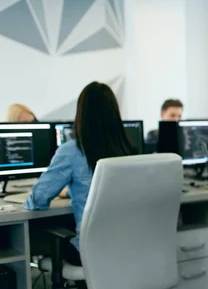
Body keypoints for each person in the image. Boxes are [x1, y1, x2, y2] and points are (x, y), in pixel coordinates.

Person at [24, 82, 137, 265]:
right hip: (129, 247)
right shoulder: (130, 151)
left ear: (81, 115)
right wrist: (72, 191)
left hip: (90, 253)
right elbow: (106, 190)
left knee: (37, 241)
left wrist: (28, 197)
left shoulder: (72, 151)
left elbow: (38, 200)